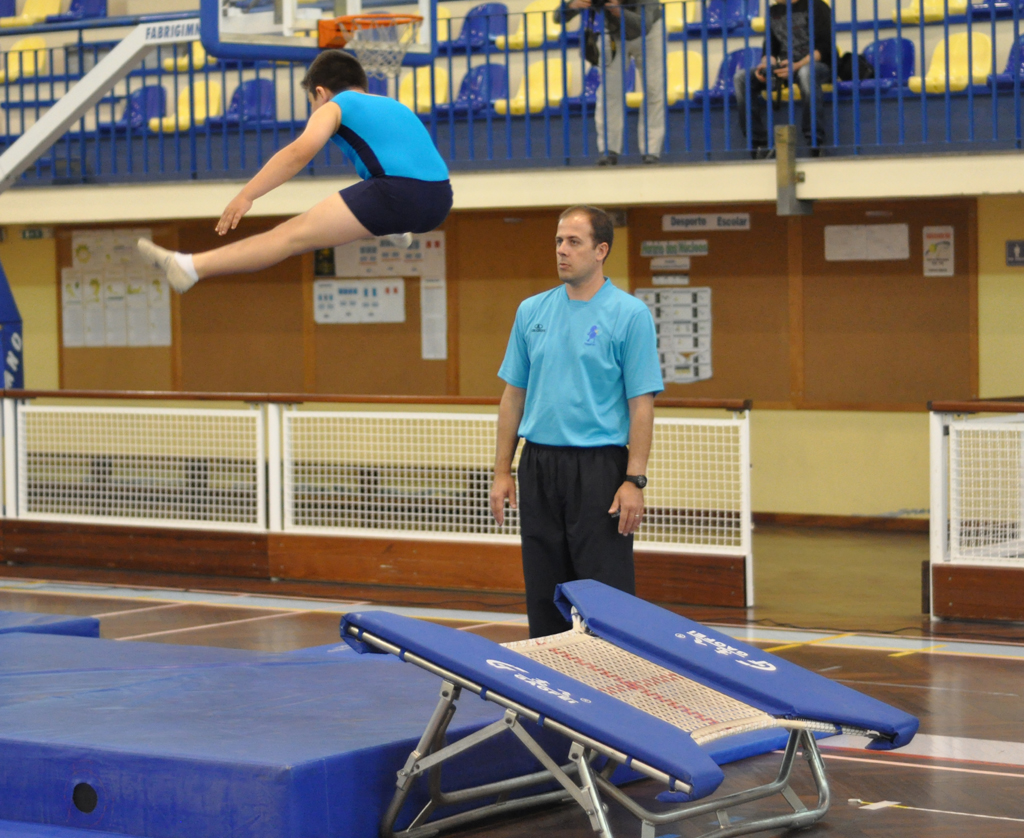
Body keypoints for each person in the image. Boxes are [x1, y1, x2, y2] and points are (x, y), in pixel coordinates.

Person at [137, 50, 452, 292]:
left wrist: (247, 195)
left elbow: (299, 152)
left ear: (320, 92)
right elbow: (412, 161)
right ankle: (393, 225)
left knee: (289, 236)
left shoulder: (335, 105)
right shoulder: (394, 105)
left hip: (399, 195)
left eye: (311, 101)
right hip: (439, 199)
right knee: (375, 182)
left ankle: (191, 267)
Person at [489, 206, 663, 638]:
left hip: (599, 469)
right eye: (558, 241)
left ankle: (613, 686)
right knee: (544, 589)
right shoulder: (531, 311)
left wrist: (634, 480)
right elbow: (513, 395)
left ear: (601, 250)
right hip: (539, 465)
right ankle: (551, 688)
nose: (561, 251)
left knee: (604, 592)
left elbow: (642, 403)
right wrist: (501, 471)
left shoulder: (629, 314)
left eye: (573, 242)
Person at [558, 0, 665, 165]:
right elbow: (558, 17)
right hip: (613, 33)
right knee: (609, 92)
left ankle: (651, 151)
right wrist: (571, 6)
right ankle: (608, 150)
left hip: (649, 33)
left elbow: (644, 26)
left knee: (654, 90)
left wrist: (618, 11)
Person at [734, 0, 833, 157]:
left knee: (806, 73)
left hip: (816, 65)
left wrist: (798, 65)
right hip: (786, 67)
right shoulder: (774, 11)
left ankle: (815, 141)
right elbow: (770, 48)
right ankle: (759, 145)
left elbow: (824, 48)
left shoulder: (817, 6)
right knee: (741, 78)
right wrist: (767, 67)